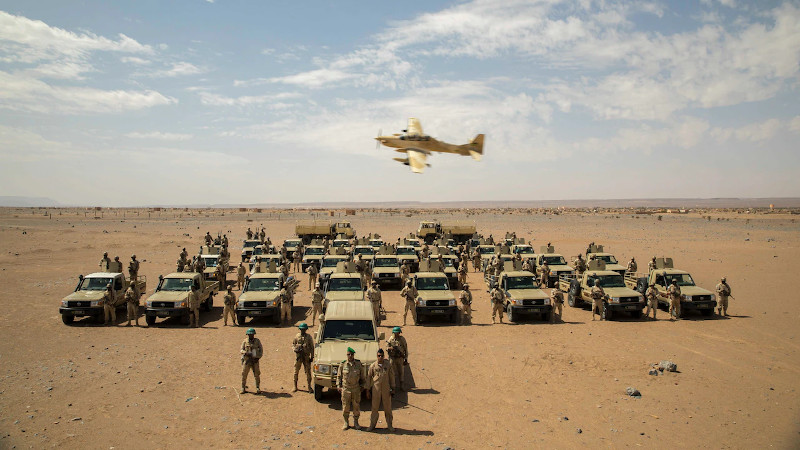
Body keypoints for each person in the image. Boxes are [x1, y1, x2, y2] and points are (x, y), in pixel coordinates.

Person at [366, 349, 395, 432]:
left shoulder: (388, 365)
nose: (380, 357)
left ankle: (390, 425)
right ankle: (372, 425)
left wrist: (393, 388)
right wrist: (367, 390)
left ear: (384, 356)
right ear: (377, 356)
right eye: (379, 356)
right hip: (376, 390)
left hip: (386, 389)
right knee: (374, 408)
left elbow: (392, 376)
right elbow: (369, 378)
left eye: (382, 356)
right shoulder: (373, 366)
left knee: (388, 408)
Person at [337, 347, 364, 430]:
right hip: (346, 389)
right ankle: (346, 422)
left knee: (356, 406)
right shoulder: (343, 365)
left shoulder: (358, 365)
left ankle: (356, 422)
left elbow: (363, 377)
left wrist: (362, 386)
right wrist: (338, 386)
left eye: (352, 354)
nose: (350, 356)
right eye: (349, 354)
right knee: (345, 407)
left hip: (355, 389)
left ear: (353, 355)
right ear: (347, 355)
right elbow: (339, 376)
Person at [292, 323, 314, 392]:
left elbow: (312, 347)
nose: (303, 331)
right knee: (296, 371)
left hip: (306, 356)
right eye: (301, 329)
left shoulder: (309, 337)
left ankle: (309, 386)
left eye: (304, 329)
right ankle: (295, 386)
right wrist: (295, 349)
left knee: (308, 372)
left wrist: (312, 356)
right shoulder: (297, 336)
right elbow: (293, 344)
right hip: (298, 357)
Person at [240, 328, 263, 394]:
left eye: (252, 334)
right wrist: (245, 353)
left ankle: (257, 387)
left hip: (255, 360)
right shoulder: (245, 341)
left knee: (257, 374)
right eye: (249, 334)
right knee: (244, 374)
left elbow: (261, 350)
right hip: (247, 360)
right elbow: (241, 350)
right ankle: (243, 388)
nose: (251, 336)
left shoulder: (257, 341)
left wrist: (258, 357)